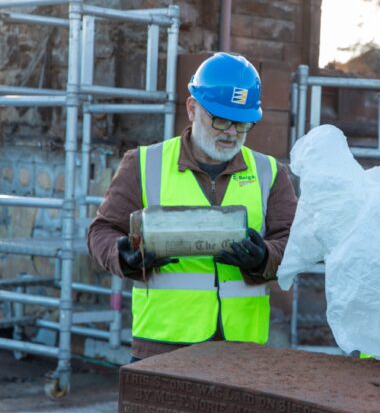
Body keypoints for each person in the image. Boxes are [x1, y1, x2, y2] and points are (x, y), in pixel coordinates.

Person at [87, 52, 297, 361]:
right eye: (220, 119)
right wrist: (124, 255)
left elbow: (295, 242)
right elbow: (100, 232)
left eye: (242, 124)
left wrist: (264, 257)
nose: (231, 132)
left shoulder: (270, 172)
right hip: (161, 345)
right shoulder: (144, 163)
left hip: (242, 349)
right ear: (191, 108)